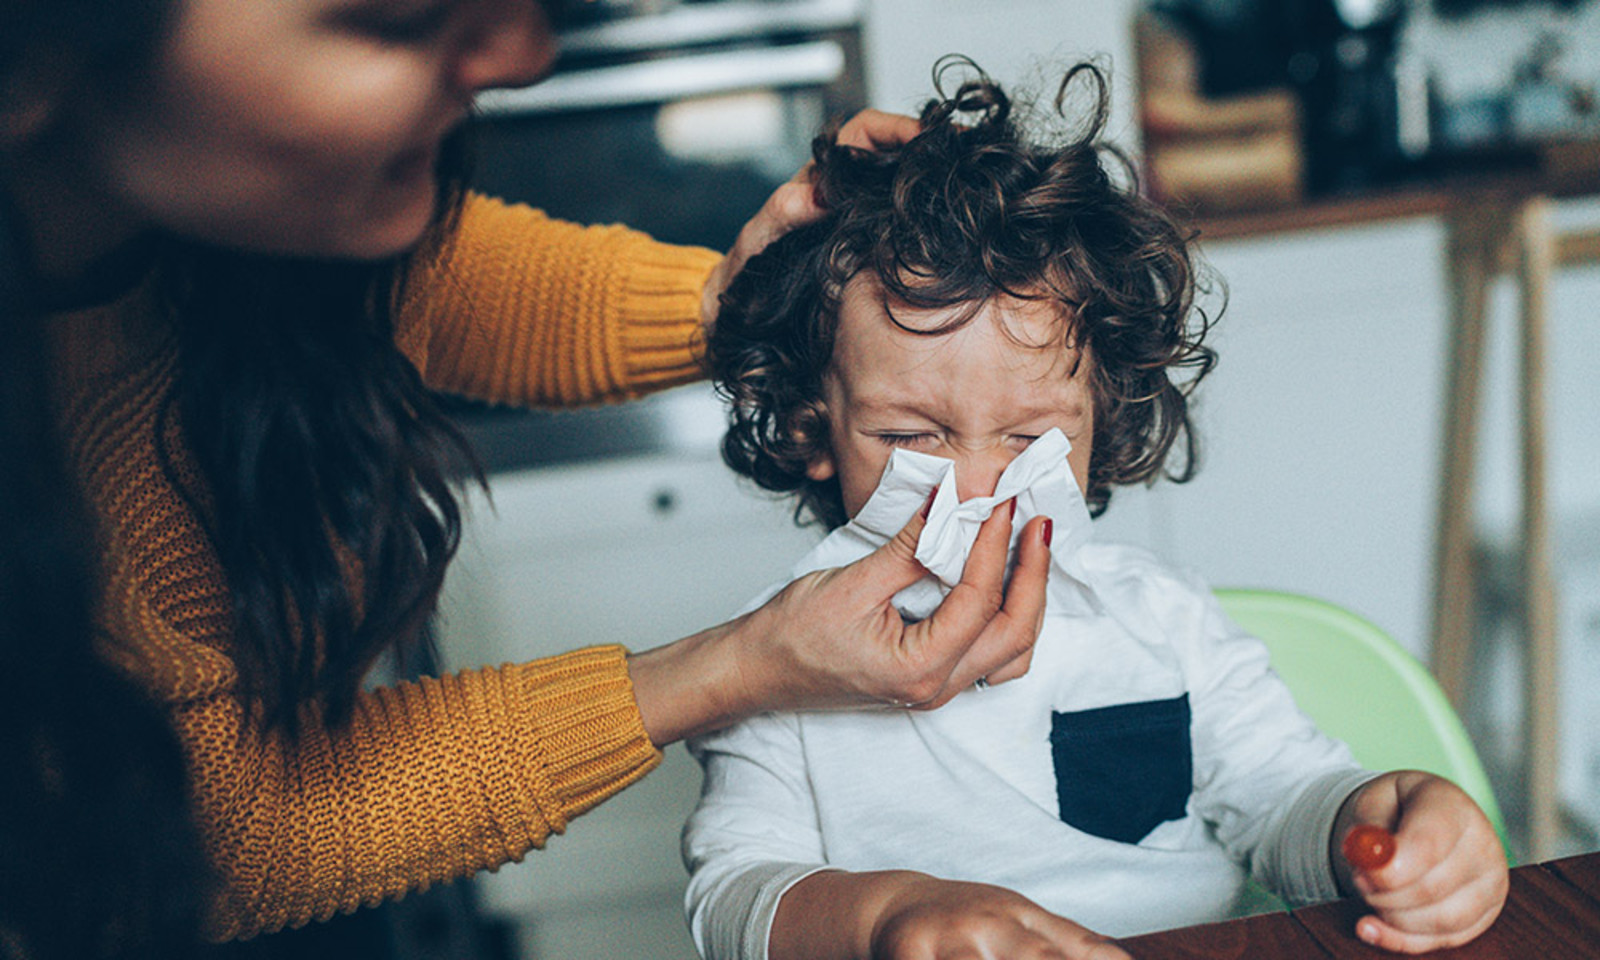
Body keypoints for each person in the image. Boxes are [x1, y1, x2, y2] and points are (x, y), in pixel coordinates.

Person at [0, 0, 1055, 950]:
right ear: (33, 61)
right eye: (399, 18)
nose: (523, 52)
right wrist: (736, 665)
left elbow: (453, 284)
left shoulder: (250, 230)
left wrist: (755, 309)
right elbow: (208, 835)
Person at [683, 61, 1510, 960]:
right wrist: (885, 919)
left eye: (1028, 437)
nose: (974, 488)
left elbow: (1279, 802)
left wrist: (1374, 828)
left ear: (1098, 422)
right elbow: (734, 893)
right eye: (911, 437)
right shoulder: (769, 662)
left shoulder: (1159, 621)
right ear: (815, 428)